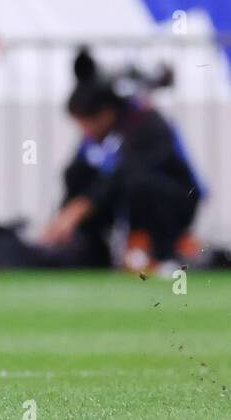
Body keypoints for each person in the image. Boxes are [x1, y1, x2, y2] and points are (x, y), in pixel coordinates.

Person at [39, 50, 202, 273]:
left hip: (176, 199)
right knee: (77, 175)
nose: (84, 132)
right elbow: (79, 175)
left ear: (105, 114)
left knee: (134, 182)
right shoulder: (96, 137)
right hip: (127, 195)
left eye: (87, 124)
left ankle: (158, 253)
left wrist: (78, 210)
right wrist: (63, 218)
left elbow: (124, 172)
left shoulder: (148, 123)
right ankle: (88, 253)